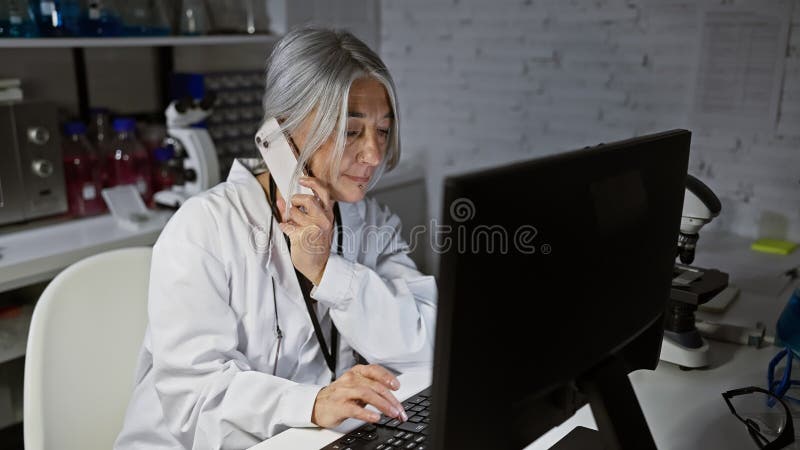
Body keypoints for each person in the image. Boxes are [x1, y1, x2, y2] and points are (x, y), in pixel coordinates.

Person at [114, 27, 437, 449]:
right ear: (285, 129)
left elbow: (426, 341)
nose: (373, 155)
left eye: (383, 131)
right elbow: (195, 401)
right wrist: (311, 403)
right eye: (351, 131)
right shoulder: (203, 228)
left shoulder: (370, 222)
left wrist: (328, 272)